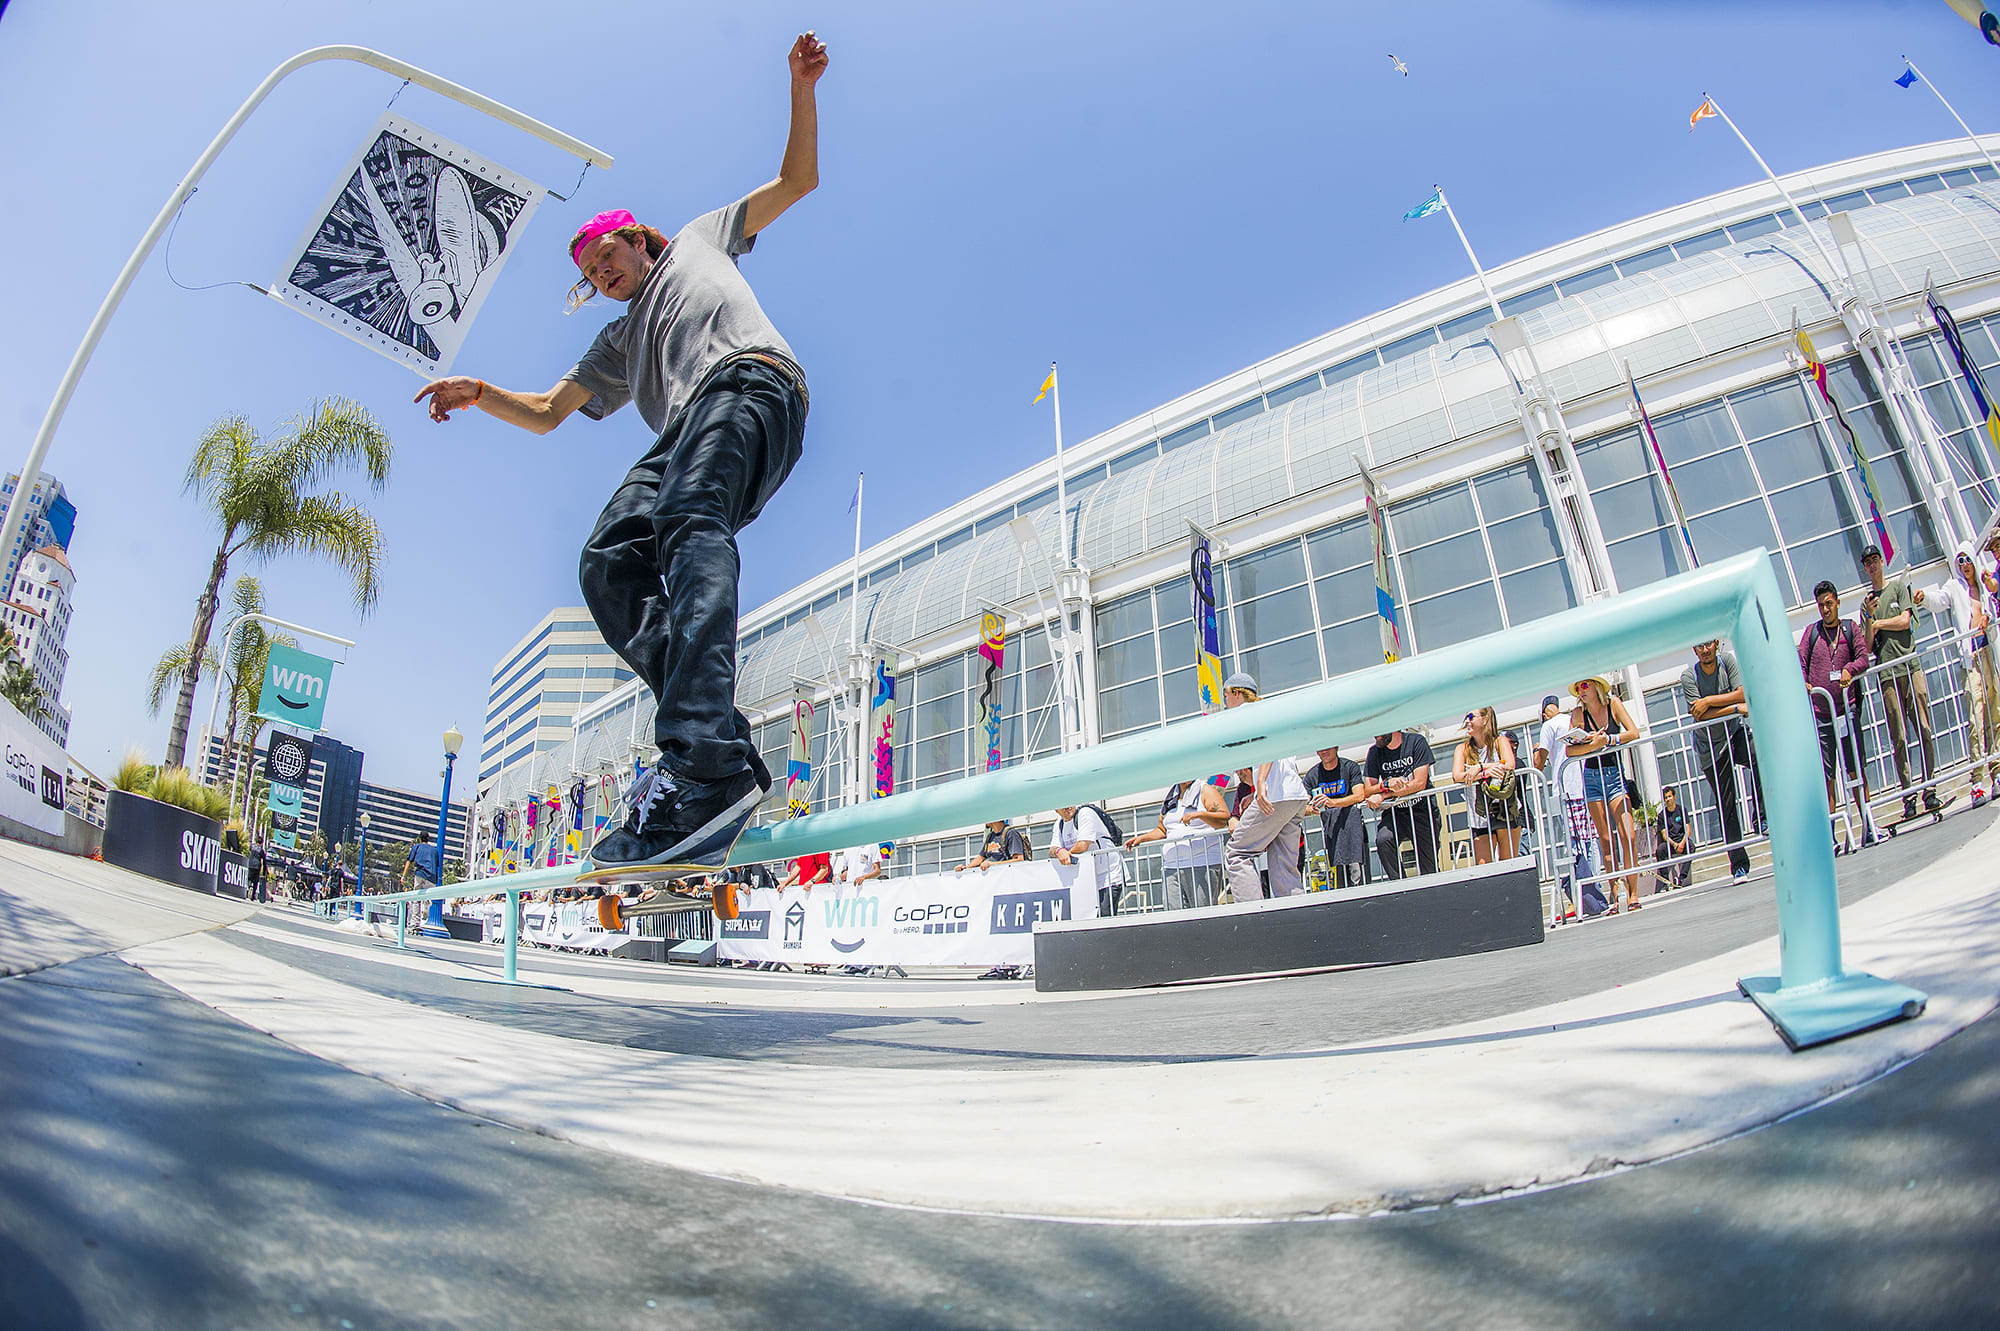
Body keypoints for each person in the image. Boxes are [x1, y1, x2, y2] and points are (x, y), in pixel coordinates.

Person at [415, 34, 830, 877]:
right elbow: (545, 412)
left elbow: (797, 182)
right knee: (607, 558)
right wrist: (481, 391)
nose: (606, 275)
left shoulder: (699, 239)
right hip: (681, 434)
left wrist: (800, 88)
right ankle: (722, 749)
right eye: (594, 274)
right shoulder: (613, 344)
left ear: (639, 242)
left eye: (611, 258)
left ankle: (698, 761)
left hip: (751, 386)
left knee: (685, 514)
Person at [1859, 546, 1939, 821]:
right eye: (1867, 563)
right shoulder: (1866, 603)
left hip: (1910, 664)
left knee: (1924, 728)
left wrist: (1880, 623)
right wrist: (1871, 620)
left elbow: (1906, 621)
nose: (1872, 566)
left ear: (1882, 562)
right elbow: (1868, 646)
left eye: (1874, 560)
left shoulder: (1898, 589)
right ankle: (1909, 796)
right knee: (1899, 737)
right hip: (1888, 673)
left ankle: (1930, 788)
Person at [1219, 673, 1311, 902]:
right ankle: (1293, 910)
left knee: (1237, 853)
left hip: (1276, 796)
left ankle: (1252, 914)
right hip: (1294, 797)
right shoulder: (1271, 712)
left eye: (1226, 696)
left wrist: (1261, 785)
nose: (1225, 703)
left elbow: (1269, 745)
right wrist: (1257, 791)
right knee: (1283, 862)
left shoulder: (1253, 713)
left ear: (1237, 693)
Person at [1678, 640, 1764, 881]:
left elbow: (1742, 692)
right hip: (1711, 749)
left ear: (1716, 644)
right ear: (1694, 650)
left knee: (1760, 756)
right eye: (1700, 647)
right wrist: (1735, 706)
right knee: (1727, 806)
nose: (1705, 650)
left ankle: (1762, 818)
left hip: (1734, 733)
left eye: (1708, 644)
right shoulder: (1689, 677)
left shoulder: (1727, 661)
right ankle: (1739, 865)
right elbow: (1701, 715)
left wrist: (1710, 701)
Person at [1797, 580, 1874, 846]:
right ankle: (1830, 835)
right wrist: (1804, 681)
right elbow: (1800, 663)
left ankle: (1868, 825)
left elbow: (1864, 657)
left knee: (1855, 770)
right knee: (1827, 776)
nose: (1826, 609)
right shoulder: (1812, 633)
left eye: (1829, 603)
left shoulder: (1850, 629)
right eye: (1821, 605)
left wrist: (1849, 670)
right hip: (1822, 714)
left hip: (1847, 709)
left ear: (1838, 603)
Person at [1570, 674, 1643, 912]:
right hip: (1592, 777)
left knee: (1628, 835)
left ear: (1596, 687)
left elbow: (1633, 732)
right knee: (1605, 840)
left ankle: (1633, 893)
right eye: (1578, 687)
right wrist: (1594, 745)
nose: (1581, 691)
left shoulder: (1614, 704)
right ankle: (1614, 895)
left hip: (1614, 773)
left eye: (1584, 685)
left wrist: (1608, 740)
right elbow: (1571, 750)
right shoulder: (1578, 714)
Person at [1940, 542, 1999, 807]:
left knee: (1996, 713)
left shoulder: (1984, 588)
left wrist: (1987, 616)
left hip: (1989, 652)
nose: (1964, 565)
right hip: (1971, 658)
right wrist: (1922, 598)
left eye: (1967, 560)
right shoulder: (1955, 587)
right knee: (1976, 716)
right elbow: (1940, 600)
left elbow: (1993, 610)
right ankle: (1977, 779)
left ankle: (1997, 771)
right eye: (1959, 560)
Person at [1532, 694, 1597, 917]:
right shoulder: (1572, 720)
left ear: (1544, 712)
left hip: (1567, 789)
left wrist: (1536, 750)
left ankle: (1582, 897)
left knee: (1575, 847)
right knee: (1589, 842)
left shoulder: (1549, 725)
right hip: (1586, 785)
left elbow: (1539, 764)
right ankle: (1593, 893)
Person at [1128, 777, 1232, 909]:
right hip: (1172, 867)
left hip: (1201, 863)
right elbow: (1162, 830)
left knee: (1202, 912)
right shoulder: (1171, 796)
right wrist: (1141, 838)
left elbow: (1223, 818)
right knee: (1174, 913)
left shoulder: (1205, 790)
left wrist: (1200, 815)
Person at [1453, 706, 1524, 864]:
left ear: (1485, 719)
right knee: (1484, 866)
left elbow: (1509, 765)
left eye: (1471, 716)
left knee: (1508, 864)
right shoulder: (1462, 749)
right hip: (1479, 813)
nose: (1467, 721)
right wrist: (1489, 771)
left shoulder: (1500, 741)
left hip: (1504, 807)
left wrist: (1480, 768)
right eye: (1466, 717)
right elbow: (1457, 776)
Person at [1365, 729, 1439, 879]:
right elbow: (1367, 790)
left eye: (1380, 728)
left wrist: (1385, 794)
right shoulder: (1374, 752)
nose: (1376, 734)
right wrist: (1386, 783)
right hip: (1395, 812)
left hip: (1422, 810)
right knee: (1383, 840)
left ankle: (1432, 892)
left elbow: (1419, 783)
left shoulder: (1416, 741)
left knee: (1428, 865)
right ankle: (1400, 884)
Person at [1304, 746, 1368, 889]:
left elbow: (1360, 795)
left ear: (1336, 747)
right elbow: (1301, 805)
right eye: (1320, 748)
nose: (1324, 751)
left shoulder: (1350, 766)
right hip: (1332, 837)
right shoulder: (1312, 775)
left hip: (1354, 832)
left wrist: (1333, 803)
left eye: (1328, 747)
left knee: (1360, 879)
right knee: (1340, 883)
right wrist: (1312, 809)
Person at [1051, 803, 1126, 917]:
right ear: (1056, 810)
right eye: (1062, 804)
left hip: (1108, 876)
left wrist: (1067, 854)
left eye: (1069, 802)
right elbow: (1052, 849)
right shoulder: (1059, 824)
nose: (1067, 806)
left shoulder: (1085, 813)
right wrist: (1059, 851)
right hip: (1086, 880)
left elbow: (1083, 845)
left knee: (1104, 916)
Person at [1654, 786, 1692, 890]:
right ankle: (1665, 881)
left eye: (1670, 796)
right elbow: (1664, 835)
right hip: (1671, 843)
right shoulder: (1662, 815)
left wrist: (1682, 843)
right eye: (1666, 797)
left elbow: (1688, 829)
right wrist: (1674, 844)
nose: (1668, 799)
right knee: (1660, 850)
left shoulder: (1681, 810)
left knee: (1691, 847)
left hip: (1681, 840)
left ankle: (1682, 878)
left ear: (1674, 797)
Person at [958, 820, 1030, 873]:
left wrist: (992, 864)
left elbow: (1019, 859)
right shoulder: (990, 836)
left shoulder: (1011, 833)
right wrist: (965, 868)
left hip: (1006, 877)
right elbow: (980, 858)